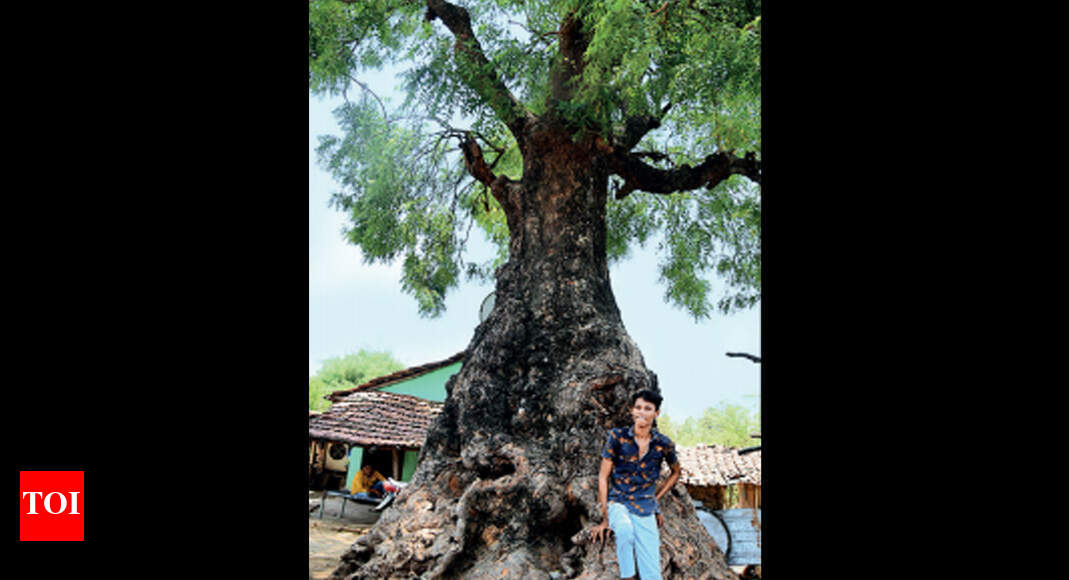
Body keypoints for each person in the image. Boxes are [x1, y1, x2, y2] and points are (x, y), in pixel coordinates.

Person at [591, 389, 682, 580]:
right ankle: (628, 576)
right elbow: (602, 477)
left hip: (645, 506)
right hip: (619, 501)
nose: (642, 412)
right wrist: (605, 517)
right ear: (632, 410)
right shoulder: (617, 437)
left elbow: (676, 472)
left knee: (652, 573)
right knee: (624, 530)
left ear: (656, 413)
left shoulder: (663, 443)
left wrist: (657, 497)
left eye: (648, 408)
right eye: (638, 407)